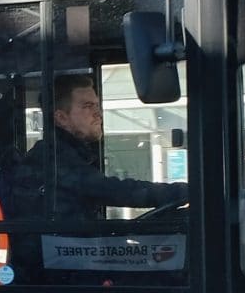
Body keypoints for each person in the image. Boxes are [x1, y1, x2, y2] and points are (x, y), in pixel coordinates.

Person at [14, 74, 185, 220]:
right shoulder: (54, 158)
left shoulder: (69, 153)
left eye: (97, 105)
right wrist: (182, 191)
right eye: (87, 106)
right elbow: (110, 190)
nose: (98, 113)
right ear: (61, 118)